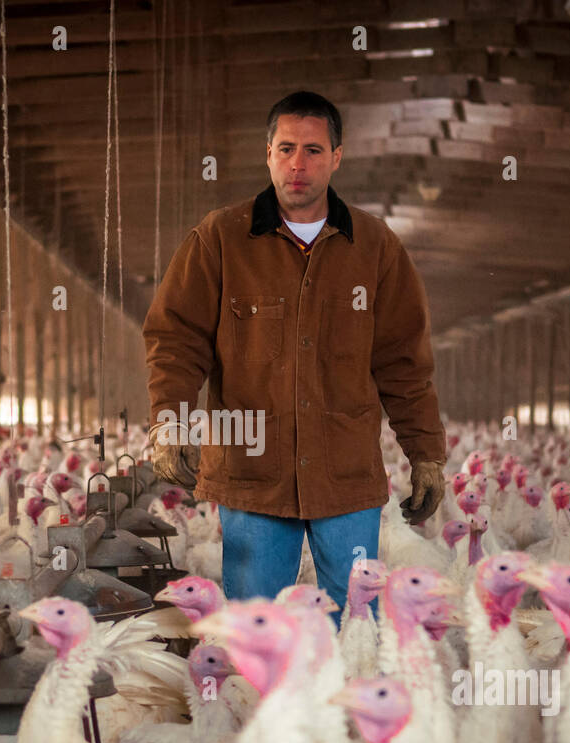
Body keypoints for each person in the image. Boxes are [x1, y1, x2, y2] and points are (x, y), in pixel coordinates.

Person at [142, 90, 447, 622]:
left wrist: (426, 453)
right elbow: (176, 339)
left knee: (357, 628)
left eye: (312, 150)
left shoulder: (375, 247)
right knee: (258, 630)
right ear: (267, 154)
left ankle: (346, 706)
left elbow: (403, 361)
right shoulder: (219, 239)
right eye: (285, 149)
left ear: (337, 156)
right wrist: (169, 422)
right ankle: (265, 709)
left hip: (344, 473)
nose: (297, 164)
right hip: (252, 472)